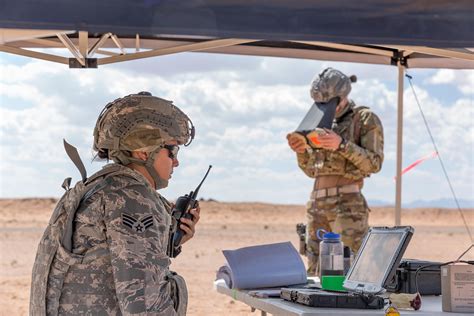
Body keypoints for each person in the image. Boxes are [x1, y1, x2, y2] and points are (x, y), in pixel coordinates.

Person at [30, 92, 198, 315]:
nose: (176, 161)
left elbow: (110, 256)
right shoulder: (132, 198)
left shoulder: (102, 187)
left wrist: (172, 241)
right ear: (142, 150)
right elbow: (144, 305)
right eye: (172, 150)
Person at [287, 68, 384, 276]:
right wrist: (301, 151)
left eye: (328, 102)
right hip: (317, 205)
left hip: (347, 205)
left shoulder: (364, 119)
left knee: (348, 271)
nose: (324, 107)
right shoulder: (320, 123)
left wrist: (341, 145)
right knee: (314, 273)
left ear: (343, 96)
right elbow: (312, 171)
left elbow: (374, 163)